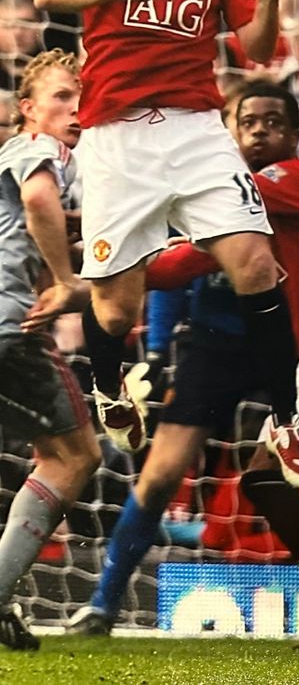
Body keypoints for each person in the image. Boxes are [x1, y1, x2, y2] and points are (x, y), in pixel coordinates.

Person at [67, 83, 299, 655]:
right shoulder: (218, 195)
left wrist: (115, 243)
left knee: (293, 484)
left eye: (273, 123)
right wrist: (144, 336)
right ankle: (103, 602)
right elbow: (177, 270)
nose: (258, 132)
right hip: (219, 339)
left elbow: (178, 247)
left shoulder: (287, 182)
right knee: (162, 472)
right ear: (227, 130)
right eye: (246, 122)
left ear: (295, 135)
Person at [32, 0, 299, 486]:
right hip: (117, 136)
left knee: (255, 261)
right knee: (116, 309)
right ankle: (108, 385)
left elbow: (254, 47)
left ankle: (287, 420)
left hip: (195, 128)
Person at [0, 49, 101, 651]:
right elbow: (40, 203)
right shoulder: (35, 152)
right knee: (76, 457)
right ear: (28, 109)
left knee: (50, 453)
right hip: (12, 331)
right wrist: (67, 282)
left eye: (81, 96)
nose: (75, 108)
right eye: (62, 96)